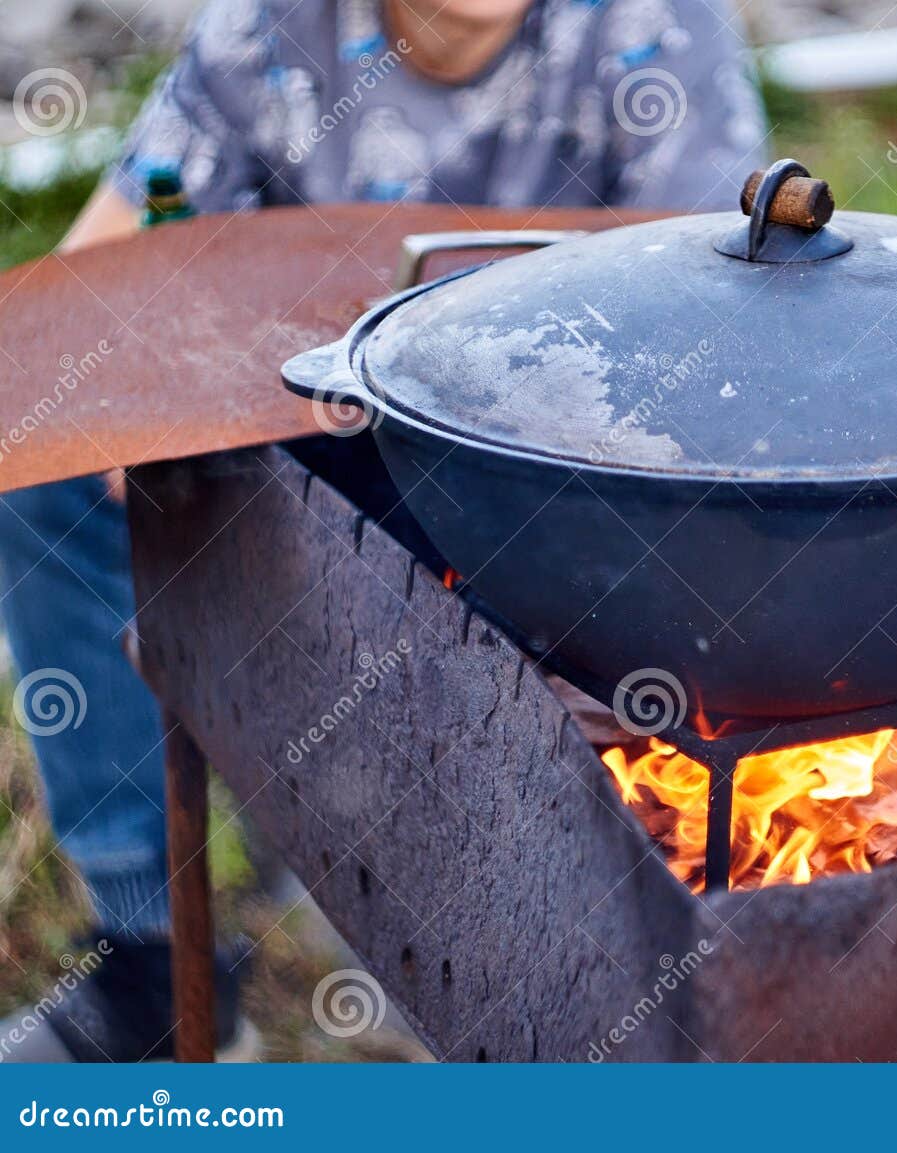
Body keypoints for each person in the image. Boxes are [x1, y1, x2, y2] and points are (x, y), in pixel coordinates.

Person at [0, 0, 765, 1061]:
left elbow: (727, 310)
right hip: (305, 450)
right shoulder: (268, 28)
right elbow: (93, 279)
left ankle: (581, 941)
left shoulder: (656, 27)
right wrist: (118, 393)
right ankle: (151, 961)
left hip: (556, 468)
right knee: (47, 471)